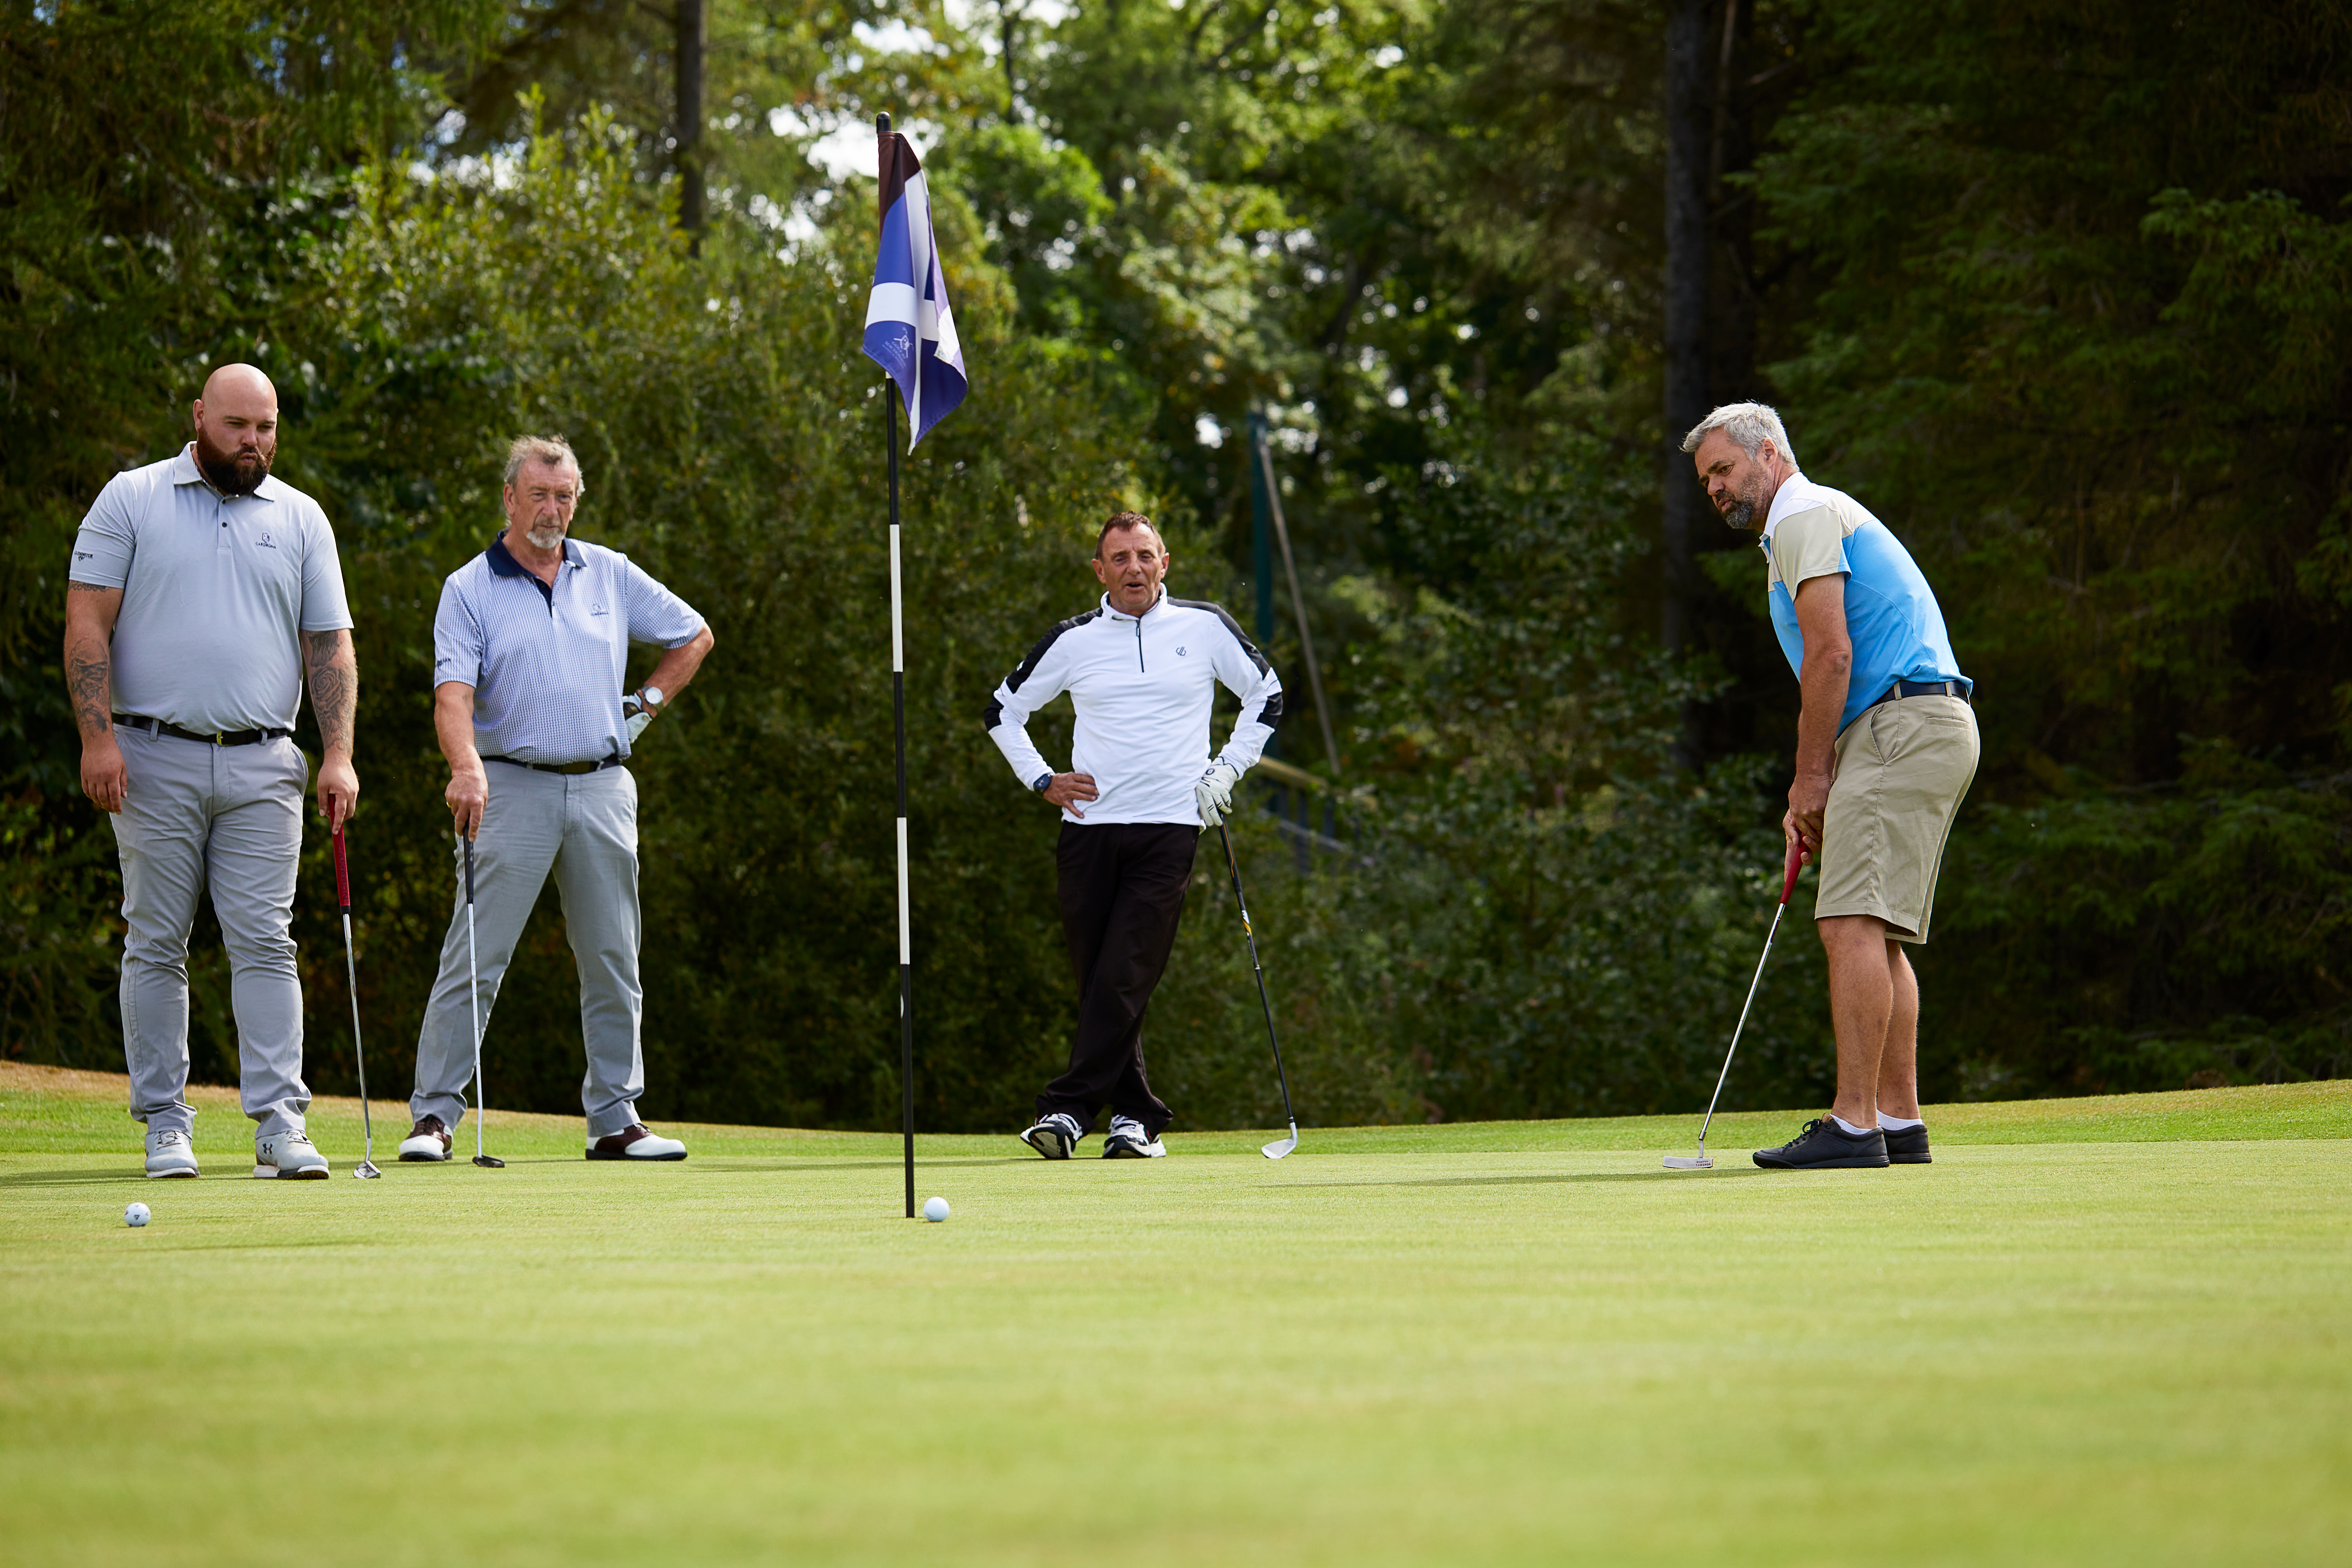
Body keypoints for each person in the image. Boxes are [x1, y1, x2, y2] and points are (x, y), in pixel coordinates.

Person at [65, 363, 361, 1179]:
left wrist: (336, 755)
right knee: (157, 940)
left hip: (267, 760)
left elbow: (328, 644)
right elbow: (87, 623)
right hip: (150, 753)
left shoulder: (301, 517)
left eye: (265, 428)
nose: (251, 443)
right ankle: (165, 1120)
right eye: (236, 426)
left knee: (266, 939)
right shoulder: (132, 498)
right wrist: (98, 740)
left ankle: (279, 1125)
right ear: (200, 416)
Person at [398, 436, 714, 1164]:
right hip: (507, 783)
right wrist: (465, 765)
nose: (553, 508)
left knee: (612, 955)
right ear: (509, 497)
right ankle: (433, 1118)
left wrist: (647, 702)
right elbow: (453, 696)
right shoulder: (469, 586)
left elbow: (694, 635)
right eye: (539, 494)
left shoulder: (608, 571)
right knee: (475, 957)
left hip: (603, 783)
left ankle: (615, 1117)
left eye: (565, 495)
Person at [1684, 402, 1979, 1170]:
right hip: (1913, 726)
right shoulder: (1808, 518)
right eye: (1705, 479)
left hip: (1897, 724)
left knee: (1847, 920)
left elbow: (1830, 655)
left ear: (1769, 453)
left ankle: (1853, 1125)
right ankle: (1895, 1118)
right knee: (1874, 928)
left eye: (1723, 468)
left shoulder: (1801, 513)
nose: (1714, 488)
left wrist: (1809, 779)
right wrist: (1825, 777)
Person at [985, 511, 1284, 1159]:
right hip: (1088, 830)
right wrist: (1041, 780)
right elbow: (1002, 711)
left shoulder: (1204, 628)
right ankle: (1135, 1117)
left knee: (1124, 971)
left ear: (1165, 562)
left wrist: (1228, 769)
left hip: (1169, 826)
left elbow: (1267, 694)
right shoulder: (1073, 640)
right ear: (1100, 571)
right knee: (1101, 977)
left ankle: (1064, 1110)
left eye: (1144, 556)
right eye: (1119, 559)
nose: (1134, 569)